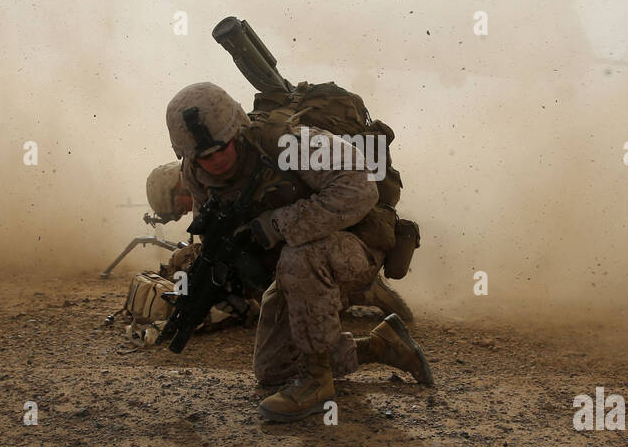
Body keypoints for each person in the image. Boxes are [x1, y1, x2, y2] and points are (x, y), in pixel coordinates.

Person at [165, 81, 432, 422]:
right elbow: (215, 230)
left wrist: (277, 225)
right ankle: (384, 345)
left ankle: (318, 383)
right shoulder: (195, 173)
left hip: (357, 244)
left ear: (237, 131)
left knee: (300, 255)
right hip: (298, 261)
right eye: (204, 156)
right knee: (273, 370)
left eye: (222, 148)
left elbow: (360, 190)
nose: (215, 161)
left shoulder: (291, 142)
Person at [144, 160, 415, 322]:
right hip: (297, 241)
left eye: (177, 206)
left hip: (311, 241)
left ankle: (360, 291)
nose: (182, 214)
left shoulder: (222, 184)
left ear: (179, 184)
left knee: (284, 299)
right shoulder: (212, 191)